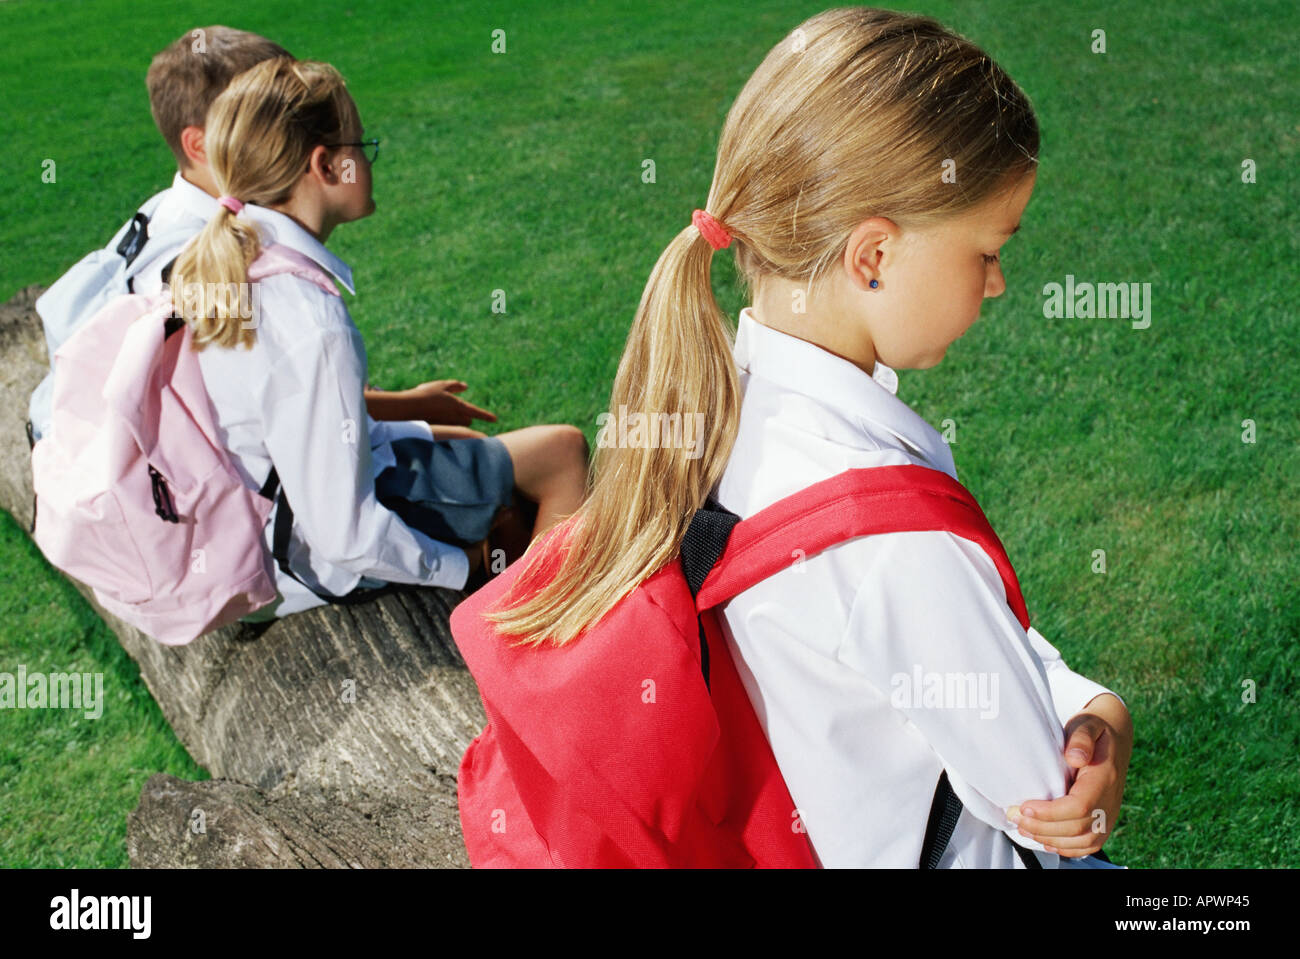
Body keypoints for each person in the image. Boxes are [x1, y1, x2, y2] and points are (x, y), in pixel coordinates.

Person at [481, 8, 1131, 867]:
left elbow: (947, 650)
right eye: (987, 249)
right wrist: (1105, 716)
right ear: (872, 258)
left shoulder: (716, 412)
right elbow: (1044, 799)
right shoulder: (896, 540)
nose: (1000, 281)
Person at [167, 57, 588, 616]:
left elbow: (291, 428)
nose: (367, 160)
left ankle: (520, 601)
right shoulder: (311, 323)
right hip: (296, 556)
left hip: (246, 522)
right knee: (562, 451)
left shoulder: (229, 260)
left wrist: (413, 421)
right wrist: (456, 569)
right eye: (361, 146)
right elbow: (343, 533)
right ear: (324, 165)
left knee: (467, 451)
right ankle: (551, 638)